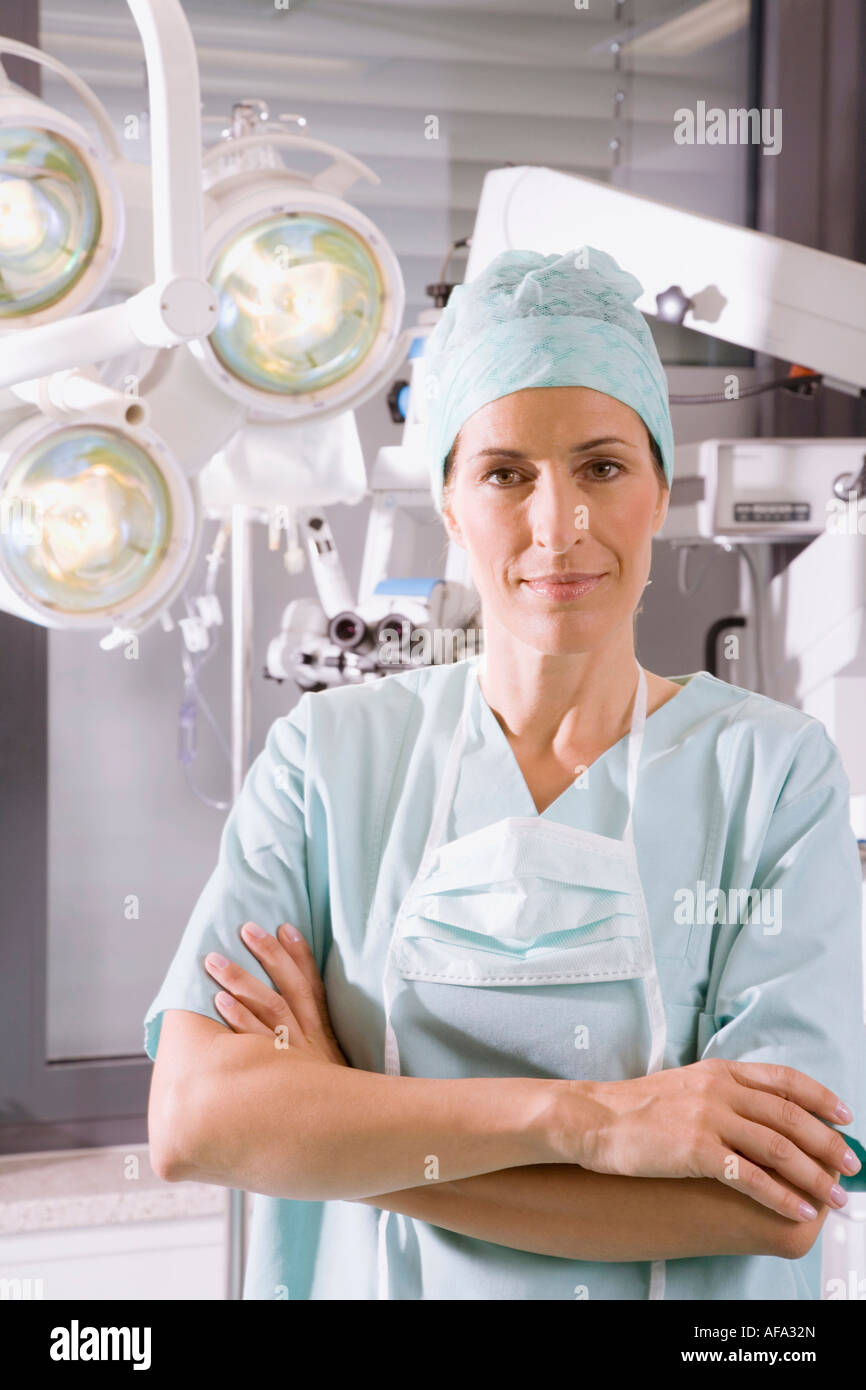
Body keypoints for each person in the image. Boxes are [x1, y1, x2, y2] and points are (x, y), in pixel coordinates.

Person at [144, 247, 865, 1301]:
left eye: (602, 467)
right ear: (448, 501)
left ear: (659, 490)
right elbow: (194, 1122)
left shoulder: (772, 776)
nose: (556, 524)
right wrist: (592, 1123)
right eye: (504, 473)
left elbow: (772, 1202)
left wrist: (335, 1121)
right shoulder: (325, 760)